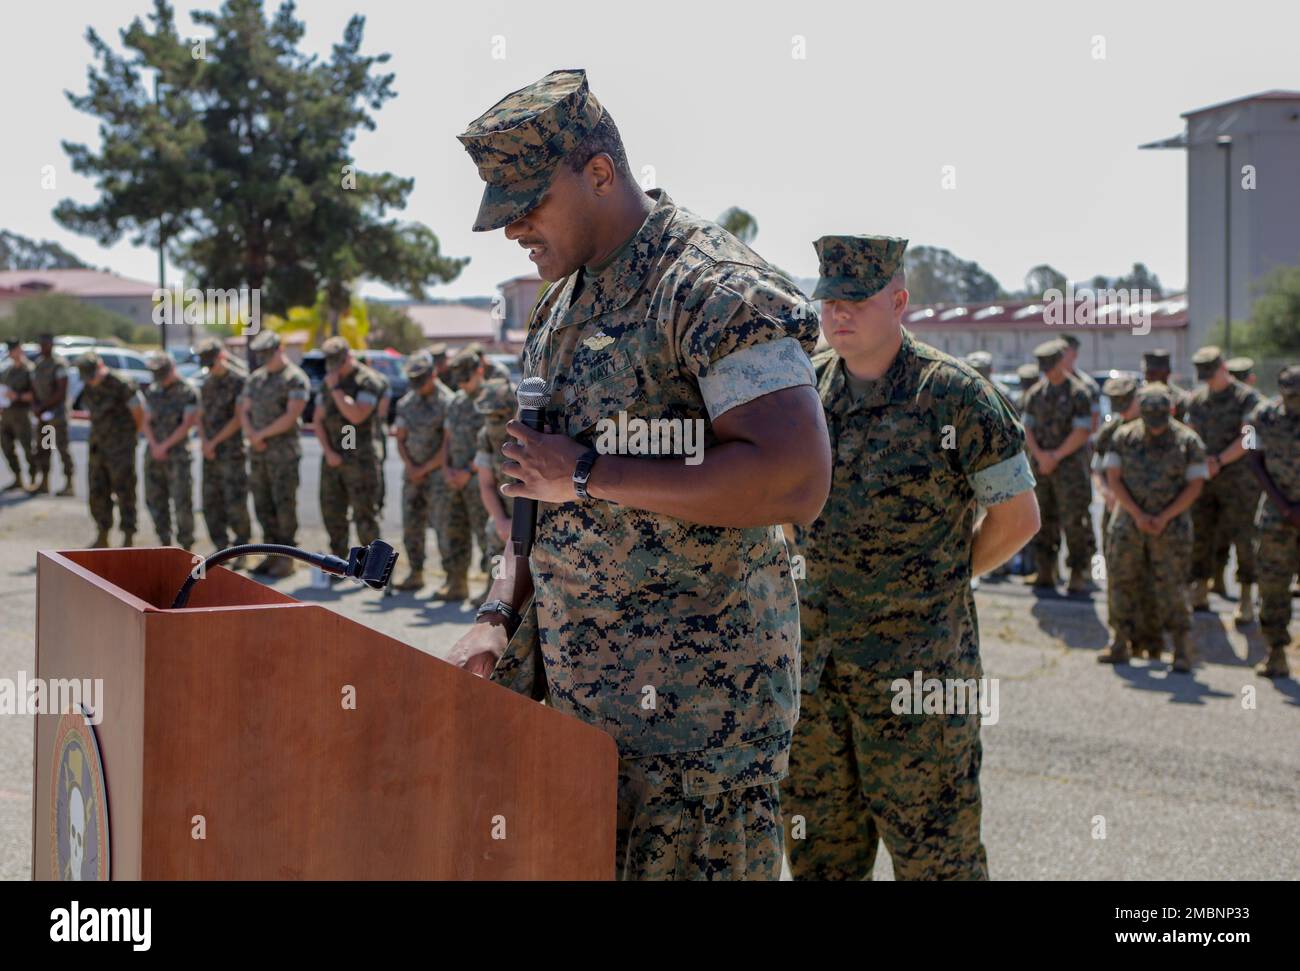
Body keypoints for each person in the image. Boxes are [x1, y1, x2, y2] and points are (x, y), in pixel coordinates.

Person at [448, 69, 830, 881]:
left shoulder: (710, 288)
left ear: (599, 172)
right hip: (583, 722)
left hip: (700, 733)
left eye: (527, 202)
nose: (513, 227)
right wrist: (495, 612)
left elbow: (795, 476)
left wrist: (589, 471)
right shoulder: (559, 303)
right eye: (501, 211)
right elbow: (532, 490)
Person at [781, 235, 1038, 881]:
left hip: (919, 678)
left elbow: (1017, 517)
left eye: (856, 299)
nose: (838, 313)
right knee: (821, 859)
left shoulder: (956, 395)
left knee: (937, 858)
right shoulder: (802, 391)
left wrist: (941, 577)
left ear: (898, 300)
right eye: (829, 300)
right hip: (817, 676)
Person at [1098, 384, 1207, 670]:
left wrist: (1165, 516)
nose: (1155, 423)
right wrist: (1137, 514)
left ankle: (1181, 648)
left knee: (1172, 584)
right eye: (1149, 415)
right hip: (1129, 522)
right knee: (1121, 580)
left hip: (1171, 525)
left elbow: (1195, 485)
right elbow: (1114, 478)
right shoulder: (1124, 436)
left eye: (1160, 415)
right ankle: (1120, 640)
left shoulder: (1188, 441)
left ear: (1170, 411)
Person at [1220, 364, 1300, 678]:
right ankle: (1276, 652)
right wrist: (1284, 506)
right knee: (1272, 584)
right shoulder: (1264, 416)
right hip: (1276, 514)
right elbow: (1253, 458)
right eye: (1290, 396)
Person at [1184, 346, 1261, 620]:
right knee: (1202, 534)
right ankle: (1201, 587)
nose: (1208, 380)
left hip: (1239, 480)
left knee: (1243, 537)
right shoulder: (1197, 400)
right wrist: (1203, 462)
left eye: (1211, 374)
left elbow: (1248, 438)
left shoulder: (1246, 397)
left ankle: (1246, 596)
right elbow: (1190, 434)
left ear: (1223, 368)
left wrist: (1218, 461)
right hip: (1206, 479)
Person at [1092, 376, 1163, 660]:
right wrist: (1106, 492)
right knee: (1120, 577)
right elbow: (1097, 469)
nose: (1123, 411)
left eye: (1127, 403)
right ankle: (1119, 638)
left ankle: (1150, 641)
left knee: (1152, 577)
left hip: (1154, 515)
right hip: (1119, 516)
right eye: (1118, 405)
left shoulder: (1156, 426)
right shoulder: (1111, 431)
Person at [1020, 339, 1095, 592]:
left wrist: (1055, 457)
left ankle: (1077, 572)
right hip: (1041, 469)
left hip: (1070, 470)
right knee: (1043, 519)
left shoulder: (1078, 393)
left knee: (1074, 520)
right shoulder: (1035, 395)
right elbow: (1027, 429)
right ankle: (1046, 570)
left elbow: (1083, 431)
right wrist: (1041, 456)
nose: (1049, 371)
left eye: (1052, 365)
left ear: (1061, 362)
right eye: (1045, 367)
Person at [239, 331, 310, 575]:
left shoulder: (295, 378)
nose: (264, 359)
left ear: (280, 349)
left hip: (283, 454)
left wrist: (261, 435)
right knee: (262, 503)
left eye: (268, 354)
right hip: (258, 454)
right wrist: (251, 434)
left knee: (284, 505)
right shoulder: (256, 379)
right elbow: (244, 410)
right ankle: (270, 554)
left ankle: (287, 558)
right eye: (261, 355)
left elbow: (291, 416)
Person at [313, 336, 385, 564]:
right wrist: (328, 452)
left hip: (360, 459)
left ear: (348, 357)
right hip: (333, 459)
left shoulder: (367, 381)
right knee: (332, 512)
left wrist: (336, 389)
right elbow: (318, 420)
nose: (335, 370)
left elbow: (356, 415)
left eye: (338, 364)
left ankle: (372, 568)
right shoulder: (328, 382)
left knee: (365, 515)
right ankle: (339, 564)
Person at [437, 349, 493, 602]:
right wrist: (446, 468)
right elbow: (447, 439)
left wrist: (468, 471)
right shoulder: (456, 402)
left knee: (485, 535)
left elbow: (494, 440)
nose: (461, 384)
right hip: (454, 479)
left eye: (465, 378)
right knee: (454, 531)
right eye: (457, 380)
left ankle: (492, 590)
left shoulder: (491, 399)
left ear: (479, 371)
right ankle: (457, 582)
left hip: (479, 479)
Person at [392, 353, 450, 592]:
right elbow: (400, 438)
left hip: (436, 475)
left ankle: (453, 579)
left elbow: (448, 444)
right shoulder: (406, 403)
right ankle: (415, 573)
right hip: (412, 474)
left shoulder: (448, 402)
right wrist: (410, 466)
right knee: (411, 525)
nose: (418, 387)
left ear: (433, 374)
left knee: (444, 527)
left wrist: (424, 468)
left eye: (421, 381)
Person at [74, 351, 143, 547]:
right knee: (97, 492)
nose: (90, 381)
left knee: (125, 492)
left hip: (120, 448)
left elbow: (138, 412)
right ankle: (102, 533)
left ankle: (128, 536)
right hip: (98, 447)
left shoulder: (121, 384)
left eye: (92, 376)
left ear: (100, 368)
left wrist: (129, 437)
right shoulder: (88, 386)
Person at [195, 337, 251, 561]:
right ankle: (220, 548)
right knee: (211, 502)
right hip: (211, 452)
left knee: (235, 501)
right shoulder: (206, 383)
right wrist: (203, 441)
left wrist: (214, 441)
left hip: (231, 451)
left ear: (222, 357)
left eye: (212, 363)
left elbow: (238, 419)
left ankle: (241, 550)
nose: (210, 368)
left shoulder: (239, 381)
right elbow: (199, 416)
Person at [141, 352, 199, 549]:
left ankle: (186, 546)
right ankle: (164, 542)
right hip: (154, 453)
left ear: (172, 369)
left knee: (182, 501)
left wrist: (164, 446)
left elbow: (187, 424)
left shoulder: (187, 391)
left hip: (177, 455)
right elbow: (145, 421)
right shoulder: (153, 391)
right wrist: (155, 445)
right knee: (155, 500)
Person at [473, 377, 517, 577]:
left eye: (498, 416)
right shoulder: (485, 437)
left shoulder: (531, 433)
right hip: (503, 518)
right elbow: (486, 484)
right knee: (499, 575)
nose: (493, 423)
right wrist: (500, 521)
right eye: (488, 417)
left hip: (536, 520)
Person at [28, 333, 76, 495]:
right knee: (43, 448)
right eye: (41, 344)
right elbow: (34, 387)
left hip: (57, 415)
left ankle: (69, 484)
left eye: (46, 344)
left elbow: (61, 392)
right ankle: (44, 482)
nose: (43, 348)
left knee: (62, 448)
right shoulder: (39, 364)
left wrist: (42, 406)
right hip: (43, 415)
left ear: (51, 345)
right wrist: (35, 406)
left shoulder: (59, 364)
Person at [1, 341, 35, 491]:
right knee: (6, 446)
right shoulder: (8, 370)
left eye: (13, 349)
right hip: (7, 414)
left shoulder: (29, 370)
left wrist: (17, 396)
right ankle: (18, 478)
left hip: (22, 414)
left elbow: (35, 394)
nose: (11, 353)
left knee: (28, 448)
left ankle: (34, 479)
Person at [1141, 348, 1188, 420]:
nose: (1153, 378)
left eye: (1157, 374)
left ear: (1167, 374)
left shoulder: (1179, 399)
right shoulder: (1138, 397)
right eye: (1150, 374)